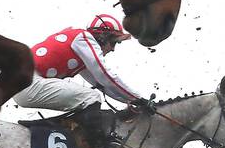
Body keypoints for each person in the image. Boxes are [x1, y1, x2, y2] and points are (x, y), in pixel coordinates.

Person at [13, 14, 152, 113]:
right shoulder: (84, 38)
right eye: (114, 42)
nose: (113, 49)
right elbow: (106, 76)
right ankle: (94, 145)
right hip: (28, 82)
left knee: (89, 97)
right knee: (91, 98)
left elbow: (101, 84)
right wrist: (138, 98)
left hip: (21, 83)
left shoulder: (79, 51)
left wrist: (131, 101)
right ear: (102, 37)